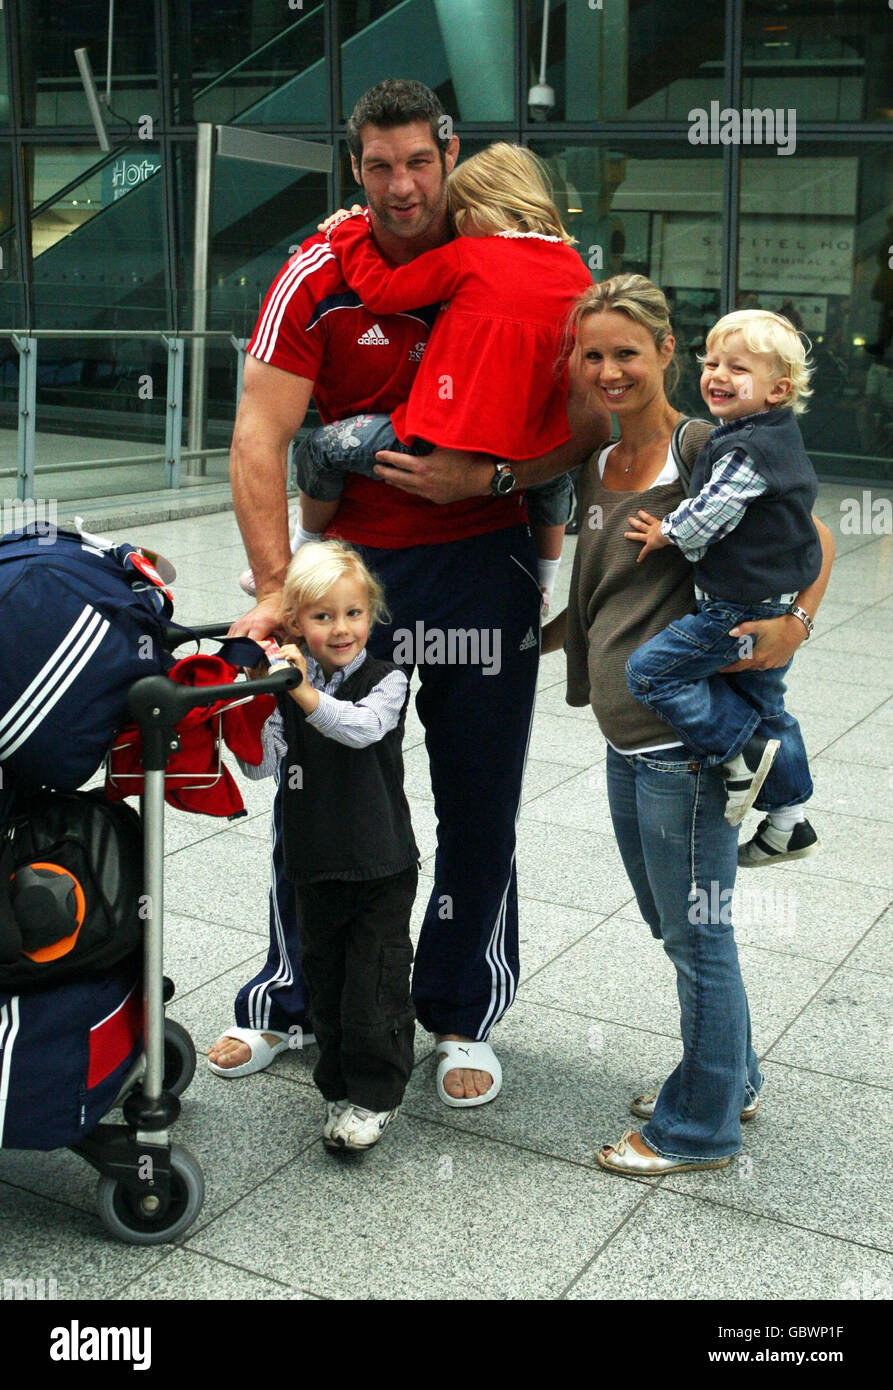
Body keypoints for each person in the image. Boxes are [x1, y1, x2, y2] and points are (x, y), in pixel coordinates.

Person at [211, 79, 608, 1105]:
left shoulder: (527, 265)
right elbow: (258, 435)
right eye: (378, 167)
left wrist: (497, 478)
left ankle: (459, 1010)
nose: (399, 186)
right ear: (355, 168)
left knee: (479, 794)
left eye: (417, 164)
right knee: (322, 793)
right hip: (353, 581)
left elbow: (594, 420)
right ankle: (292, 995)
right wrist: (271, 586)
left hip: (484, 562)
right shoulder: (315, 274)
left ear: (449, 152)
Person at [542, 274, 834, 1176]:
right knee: (675, 925)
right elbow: (601, 588)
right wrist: (540, 638)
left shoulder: (702, 443)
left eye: (626, 351)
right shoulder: (592, 464)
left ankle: (697, 1127)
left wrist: (792, 625)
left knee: (697, 933)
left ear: (665, 352)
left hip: (683, 742)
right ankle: (727, 1073)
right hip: (626, 734)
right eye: (591, 354)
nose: (608, 370)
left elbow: (809, 541)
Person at [292, 143, 592, 613]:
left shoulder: (469, 253)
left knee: (320, 448)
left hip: (436, 443)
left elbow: (382, 291)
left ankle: (303, 551)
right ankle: (545, 582)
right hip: (526, 442)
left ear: (476, 210)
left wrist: (350, 231)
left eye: (456, 213)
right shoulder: (577, 271)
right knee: (552, 481)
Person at [232, 541, 418, 1151]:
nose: (342, 629)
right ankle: (338, 1085)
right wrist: (256, 696)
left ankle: (375, 1097)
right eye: (322, 617)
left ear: (372, 613)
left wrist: (300, 691)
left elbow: (361, 729)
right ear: (294, 624)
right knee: (328, 982)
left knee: (375, 983)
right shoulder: (288, 686)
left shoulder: (388, 679)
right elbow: (262, 769)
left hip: (381, 863)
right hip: (314, 864)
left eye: (354, 613)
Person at [623, 309, 822, 863]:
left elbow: (713, 512)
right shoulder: (766, 435)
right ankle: (789, 822)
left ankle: (736, 758)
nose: (717, 374)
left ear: (778, 390)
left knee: (648, 672)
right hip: (769, 599)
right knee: (768, 709)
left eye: (738, 368)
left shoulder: (747, 449)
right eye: (711, 362)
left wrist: (667, 530)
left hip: (736, 609)